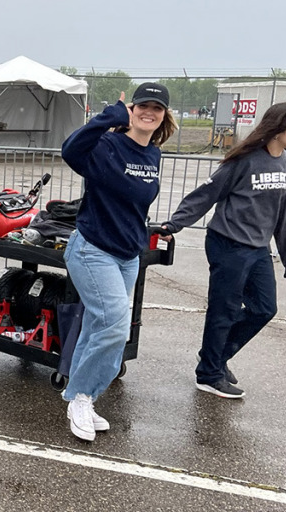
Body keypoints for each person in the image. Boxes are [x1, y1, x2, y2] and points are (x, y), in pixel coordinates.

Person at [58, 83, 176, 442]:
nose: (149, 112)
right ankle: (78, 397)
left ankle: (85, 396)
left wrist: (151, 232)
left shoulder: (153, 155)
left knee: (99, 328)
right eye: (143, 105)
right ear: (133, 109)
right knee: (114, 327)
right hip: (92, 249)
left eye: (157, 108)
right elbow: (71, 150)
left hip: (128, 255)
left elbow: (133, 204)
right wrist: (109, 116)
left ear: (163, 116)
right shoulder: (108, 145)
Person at [159, 102, 286, 399]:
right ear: (278, 130)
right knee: (223, 310)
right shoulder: (245, 160)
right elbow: (207, 193)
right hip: (228, 244)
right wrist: (175, 224)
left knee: (264, 308)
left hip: (258, 247)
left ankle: (215, 356)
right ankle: (209, 375)